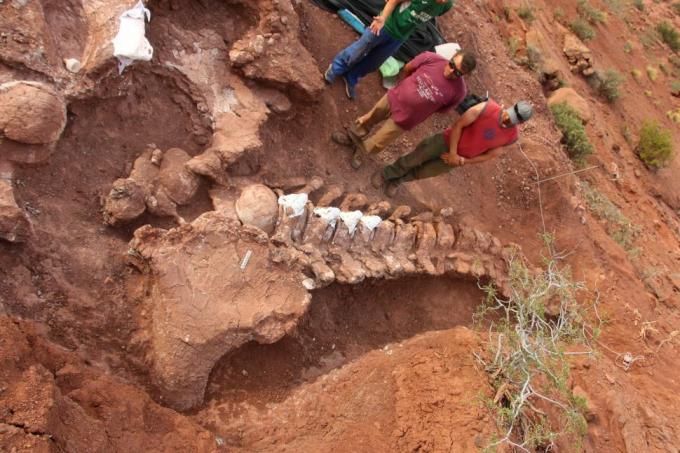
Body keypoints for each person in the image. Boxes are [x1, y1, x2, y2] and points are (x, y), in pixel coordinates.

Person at [334, 50, 476, 169]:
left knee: (380, 140)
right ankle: (351, 137)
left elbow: (442, 109)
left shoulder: (459, 92)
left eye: (457, 73)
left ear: (464, 75)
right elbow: (408, 68)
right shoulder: (431, 58)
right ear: (452, 57)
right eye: (452, 65)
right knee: (370, 118)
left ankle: (361, 151)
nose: (451, 71)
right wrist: (406, 88)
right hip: (393, 98)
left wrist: (421, 104)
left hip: (408, 118)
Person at [370, 99, 534, 196]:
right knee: (415, 158)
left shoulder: (511, 137)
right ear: (512, 108)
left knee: (424, 172)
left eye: (513, 120)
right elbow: (458, 125)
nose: (508, 119)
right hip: (444, 142)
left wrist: (461, 160)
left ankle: (398, 181)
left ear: (520, 123)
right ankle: (387, 174)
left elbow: (489, 155)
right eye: (509, 115)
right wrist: (453, 152)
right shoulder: (487, 108)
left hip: (456, 160)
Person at [324, 0, 455, 100]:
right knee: (359, 49)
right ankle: (336, 68)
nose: (443, 1)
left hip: (400, 36)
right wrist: (382, 19)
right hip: (387, 25)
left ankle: (351, 77)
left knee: (374, 63)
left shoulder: (447, 5)